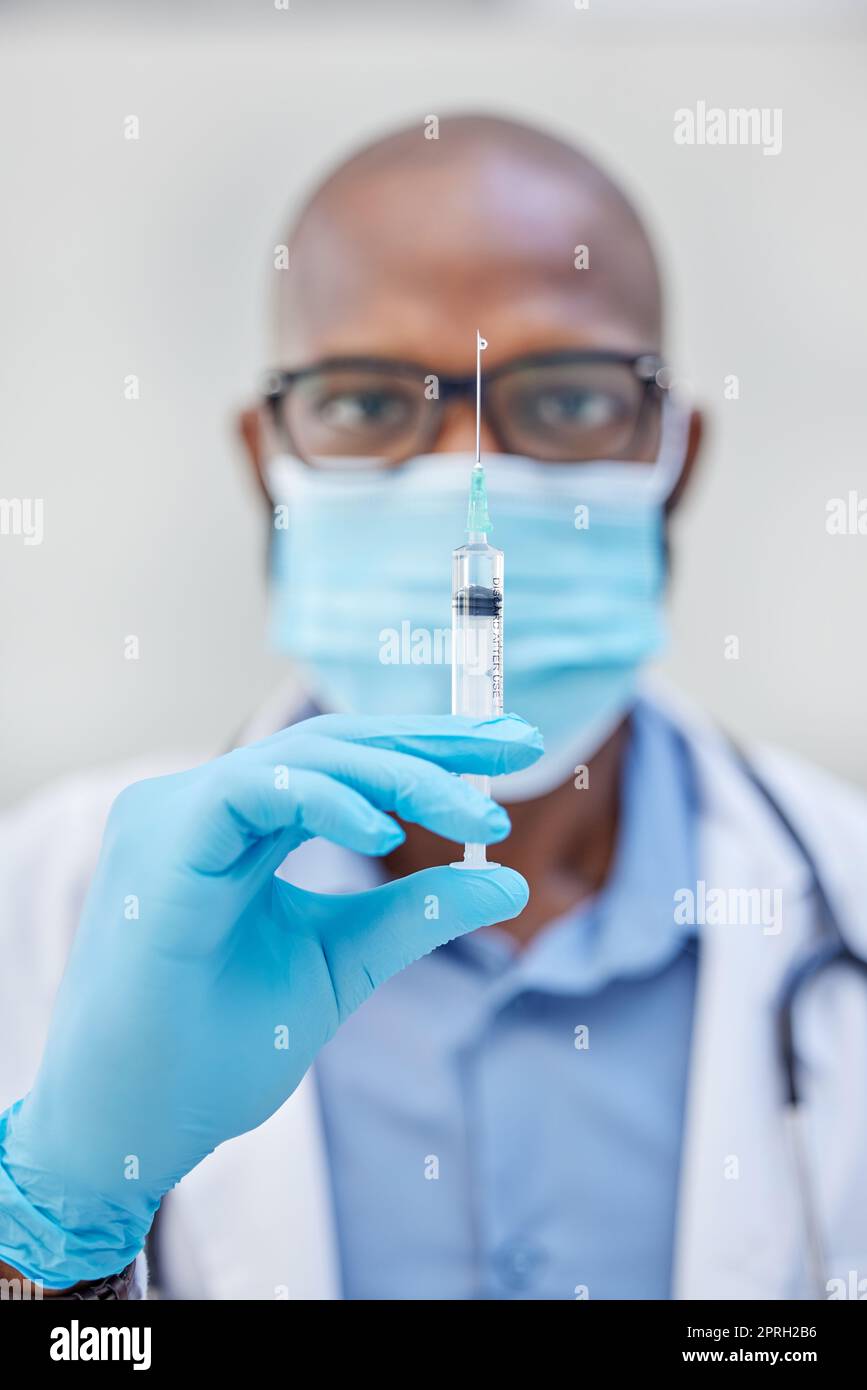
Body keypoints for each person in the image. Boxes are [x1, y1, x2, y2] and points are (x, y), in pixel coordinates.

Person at [1, 114, 866, 1303]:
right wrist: (57, 1226)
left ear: (671, 454)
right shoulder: (45, 903)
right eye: (366, 404)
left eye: (563, 402)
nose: (475, 472)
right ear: (268, 462)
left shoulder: (842, 889)